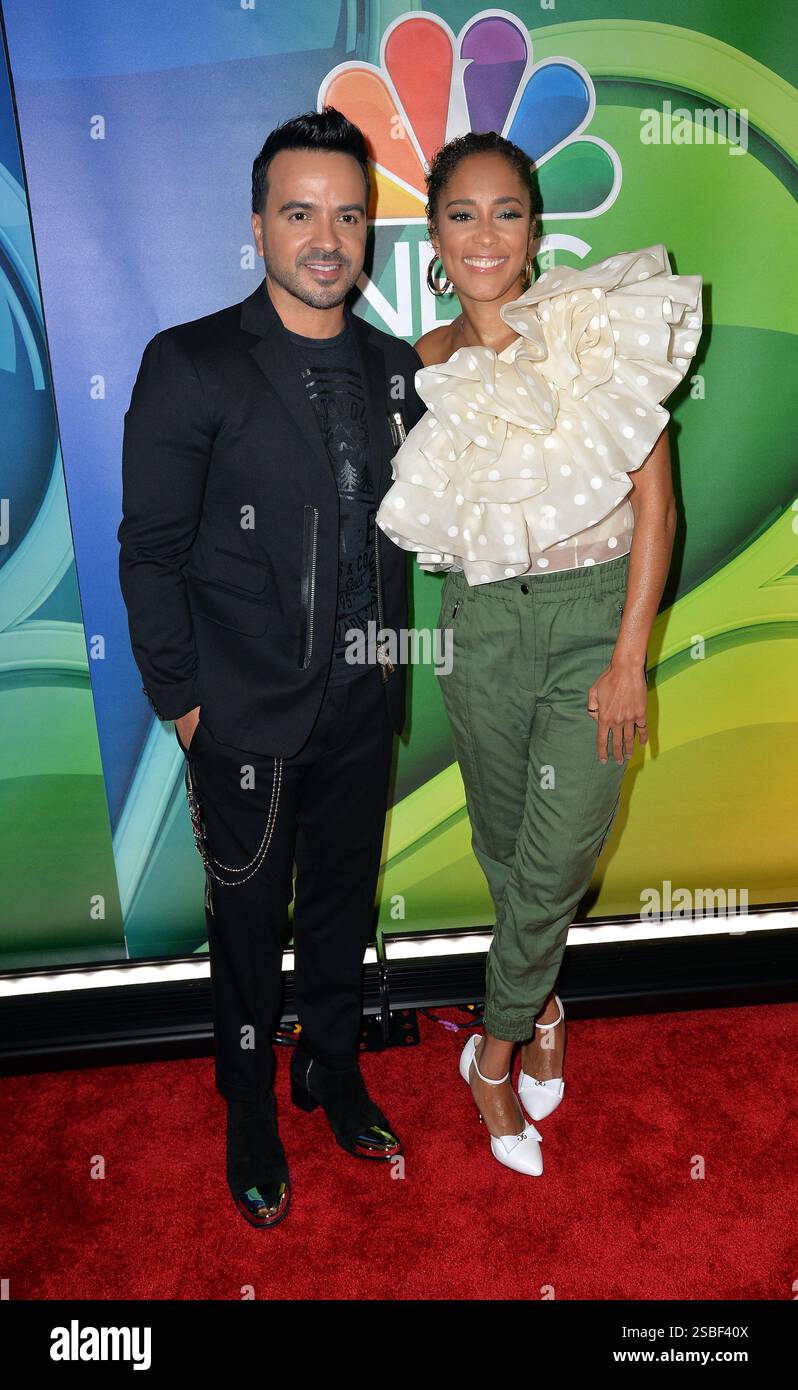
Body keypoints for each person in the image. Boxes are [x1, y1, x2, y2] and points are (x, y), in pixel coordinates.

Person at [118, 108, 425, 1227]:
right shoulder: (193, 361)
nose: (325, 238)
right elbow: (150, 552)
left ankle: (331, 1068)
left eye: (347, 215)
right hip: (243, 715)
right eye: (300, 214)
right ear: (258, 226)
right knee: (249, 934)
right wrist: (185, 706)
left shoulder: (397, 369)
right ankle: (249, 1106)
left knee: (342, 905)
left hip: (363, 703)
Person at [377, 131, 703, 1177]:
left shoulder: (591, 326)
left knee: (560, 855)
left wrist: (629, 656)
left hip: (592, 626)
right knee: (506, 846)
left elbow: (657, 506)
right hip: (479, 629)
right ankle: (547, 1005)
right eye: (461, 214)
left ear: (534, 229)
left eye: (506, 212)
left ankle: (493, 1051)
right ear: (435, 238)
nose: (485, 235)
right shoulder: (424, 360)